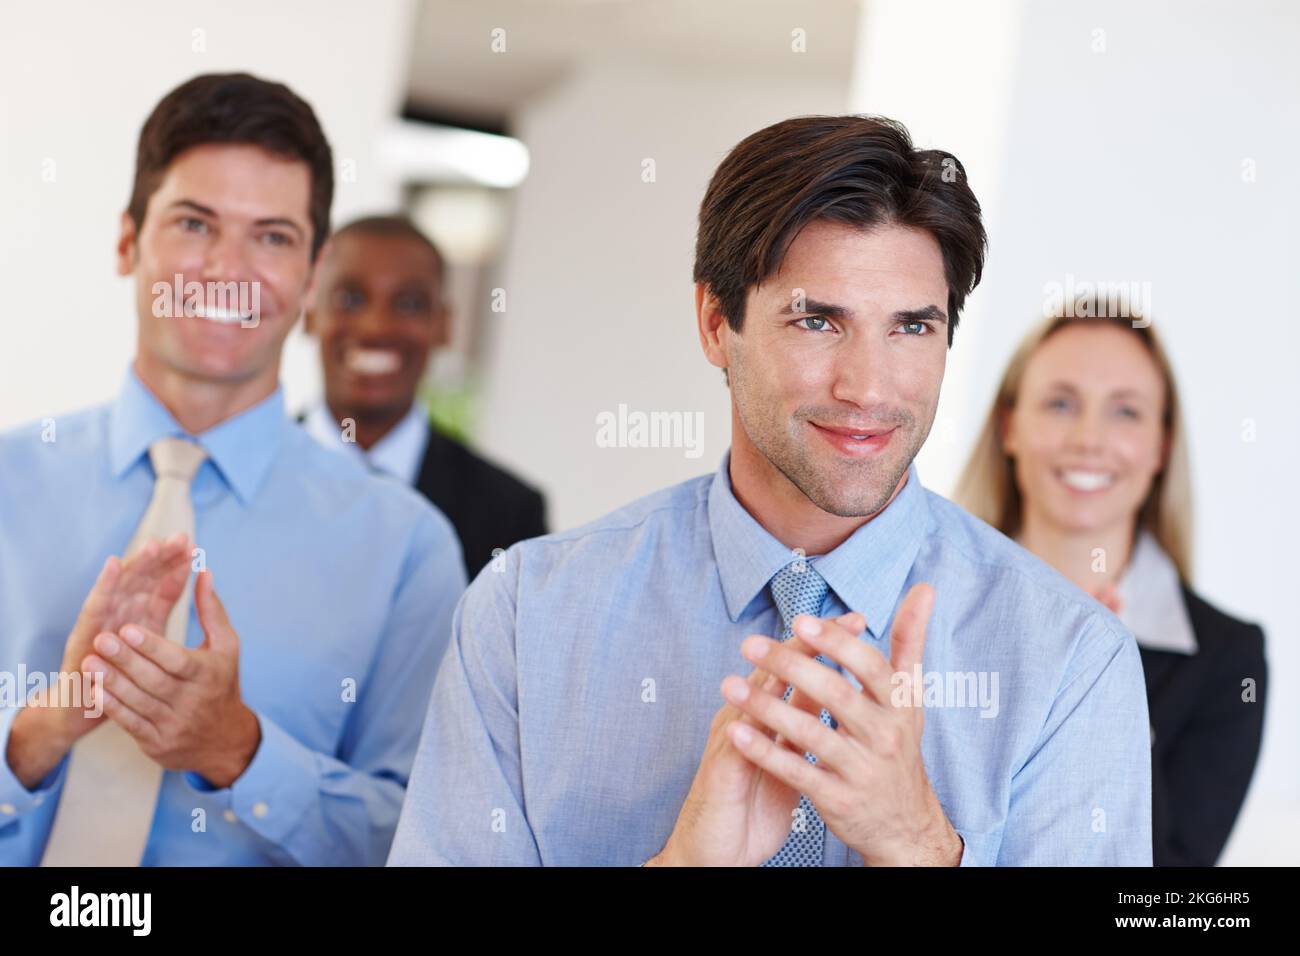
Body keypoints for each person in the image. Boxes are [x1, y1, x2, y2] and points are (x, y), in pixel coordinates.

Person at [388, 115, 1153, 867]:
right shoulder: (526, 618)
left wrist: (917, 847)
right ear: (716, 323)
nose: (869, 387)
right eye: (819, 321)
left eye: (913, 329)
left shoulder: (1073, 664)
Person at [0, 73, 466, 866]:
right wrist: (38, 732)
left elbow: (425, 841)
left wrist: (239, 751)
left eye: (273, 236)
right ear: (127, 241)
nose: (227, 270)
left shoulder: (405, 548)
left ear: (313, 278)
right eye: (194, 223)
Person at [952, 300, 1267, 866]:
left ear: (1161, 447)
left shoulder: (1228, 659)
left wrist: (1110, 689)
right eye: (1059, 403)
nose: (1089, 438)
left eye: (1125, 412)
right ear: (1009, 427)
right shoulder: (923, 601)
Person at [301, 215, 547, 579]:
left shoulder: (509, 513)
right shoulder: (240, 479)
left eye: (410, 304)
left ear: (444, 325)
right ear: (310, 313)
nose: (376, 326)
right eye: (350, 298)